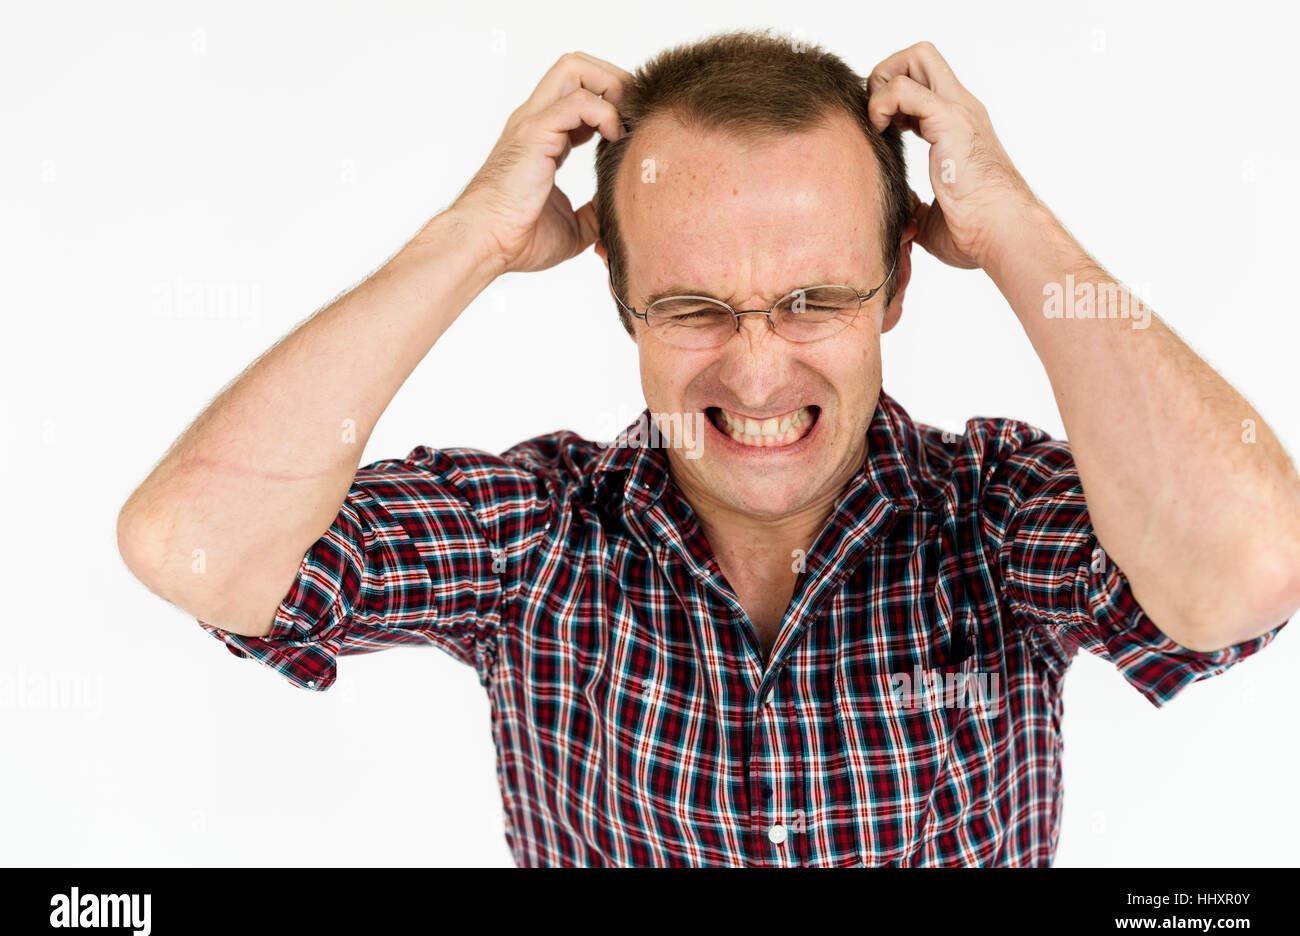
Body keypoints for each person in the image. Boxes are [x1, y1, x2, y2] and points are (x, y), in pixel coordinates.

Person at [116, 30, 1300, 866]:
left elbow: (1245, 567)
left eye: (811, 298)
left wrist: (1013, 230)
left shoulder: (992, 515)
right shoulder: (533, 536)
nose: (755, 369)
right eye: (692, 307)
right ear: (621, 301)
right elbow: (195, 544)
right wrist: (467, 238)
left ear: (894, 286)